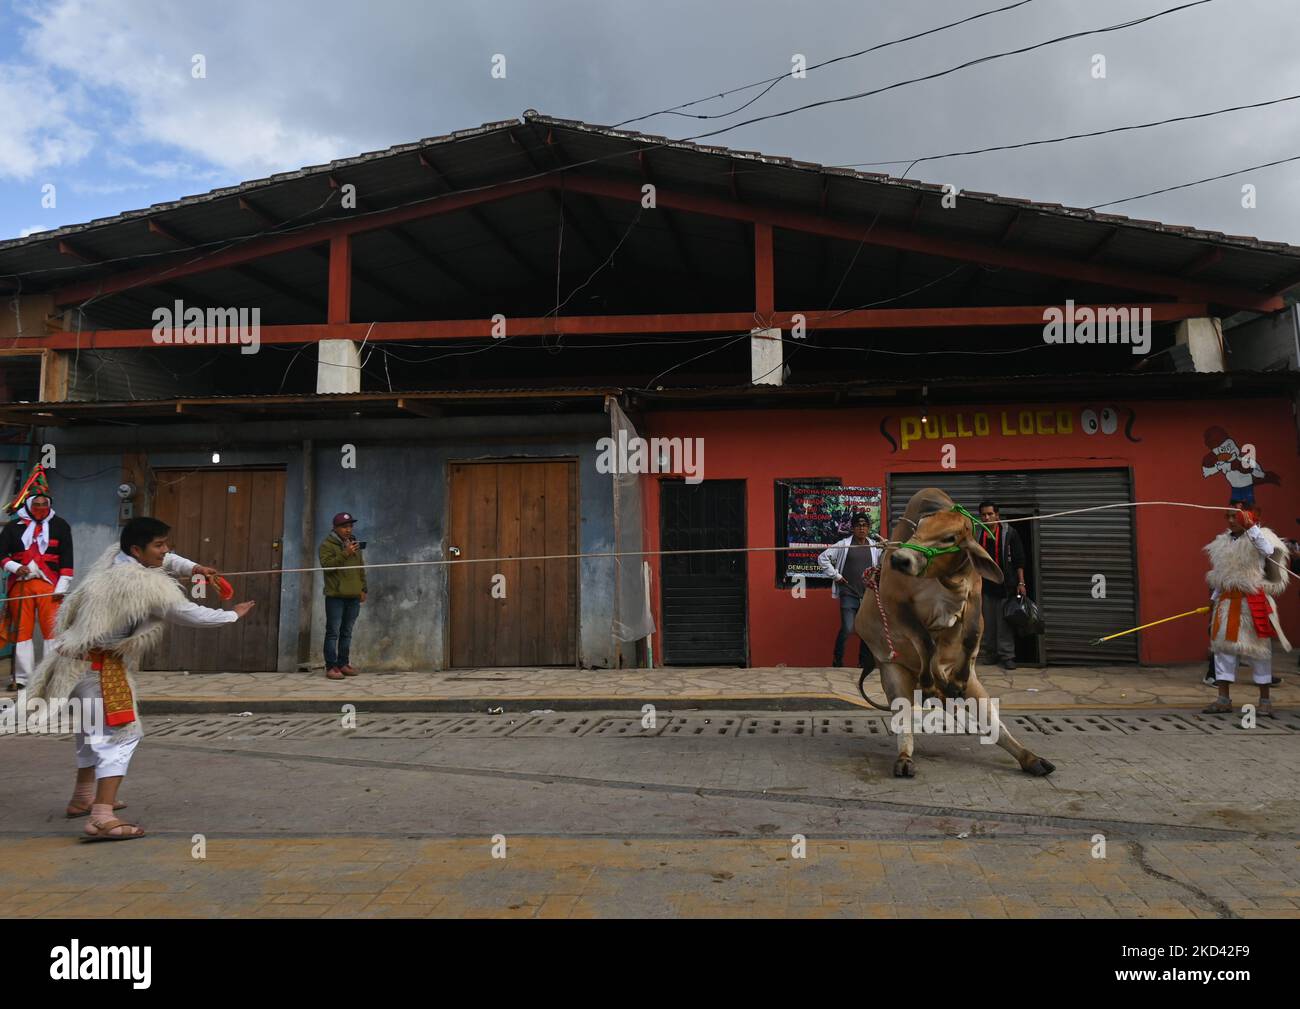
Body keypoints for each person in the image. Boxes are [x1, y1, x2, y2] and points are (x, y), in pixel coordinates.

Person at [27, 516, 254, 840]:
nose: (165, 552)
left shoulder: (113, 558)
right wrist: (232, 615)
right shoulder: (144, 585)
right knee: (121, 736)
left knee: (91, 732)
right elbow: (185, 612)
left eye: (166, 544)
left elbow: (168, 562)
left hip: (71, 666)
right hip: (98, 670)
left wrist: (194, 568)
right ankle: (101, 817)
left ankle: (82, 797)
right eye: (159, 545)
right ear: (137, 549)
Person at [1202, 502, 1290, 717]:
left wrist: (1252, 528)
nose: (1231, 520)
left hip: (1252, 603)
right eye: (1228, 517)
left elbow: (1268, 551)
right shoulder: (1222, 543)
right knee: (1223, 650)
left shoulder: (1261, 537)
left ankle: (1265, 701)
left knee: (1259, 652)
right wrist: (1214, 599)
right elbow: (1222, 576)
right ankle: (1223, 699)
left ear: (1248, 517)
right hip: (1226, 603)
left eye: (1235, 516)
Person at [2, 491, 74, 691]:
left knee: (51, 631)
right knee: (22, 631)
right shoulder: (12, 527)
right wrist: (16, 568)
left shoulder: (60, 525)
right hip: (21, 584)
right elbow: (1, 554)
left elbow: (67, 558)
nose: (41, 508)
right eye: (37, 505)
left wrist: (62, 587)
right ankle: (23, 677)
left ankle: (49, 674)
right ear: (28, 506)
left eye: (45, 504)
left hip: (49, 585)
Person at [817, 511, 882, 671]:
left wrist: (886, 545)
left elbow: (888, 557)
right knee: (848, 627)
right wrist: (836, 575)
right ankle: (837, 661)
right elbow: (822, 558)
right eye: (858, 526)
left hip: (867, 595)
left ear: (868, 528)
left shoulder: (874, 546)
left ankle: (863, 663)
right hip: (848, 592)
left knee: (866, 630)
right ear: (852, 528)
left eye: (865, 525)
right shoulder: (844, 544)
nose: (862, 528)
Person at [976, 501, 1027, 670]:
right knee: (988, 624)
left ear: (997, 515)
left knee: (1004, 624)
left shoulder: (1009, 533)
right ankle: (990, 655)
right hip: (985, 586)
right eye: (983, 515)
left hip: (1006, 585)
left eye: (990, 514)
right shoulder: (978, 535)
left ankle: (1007, 656)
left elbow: (1019, 559)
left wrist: (1021, 582)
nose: (987, 517)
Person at [319, 511, 366, 680]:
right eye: (344, 526)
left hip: (353, 595)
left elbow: (360, 568)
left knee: (347, 631)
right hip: (336, 596)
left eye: (350, 526)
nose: (348, 529)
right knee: (333, 632)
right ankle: (331, 666)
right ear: (335, 528)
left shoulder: (354, 544)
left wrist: (363, 589)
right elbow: (327, 566)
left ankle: (343, 663)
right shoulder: (327, 545)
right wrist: (345, 553)